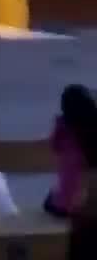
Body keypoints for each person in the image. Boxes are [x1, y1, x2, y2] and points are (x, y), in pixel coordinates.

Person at [45, 85, 97, 218]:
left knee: (51, 198)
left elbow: (54, 146)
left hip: (69, 208)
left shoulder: (63, 126)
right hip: (92, 207)